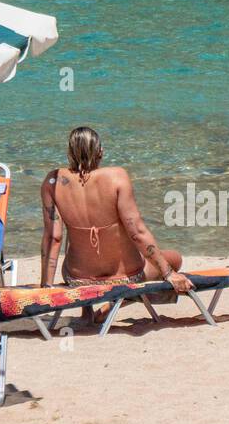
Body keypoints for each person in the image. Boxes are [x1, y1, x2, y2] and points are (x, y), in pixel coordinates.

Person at [41, 127, 192, 307]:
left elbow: (54, 237)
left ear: (69, 152)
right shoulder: (117, 176)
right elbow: (136, 232)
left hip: (77, 279)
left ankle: (88, 313)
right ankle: (117, 304)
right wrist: (169, 274)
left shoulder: (52, 181)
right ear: (100, 151)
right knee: (175, 258)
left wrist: (46, 287)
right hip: (124, 278)